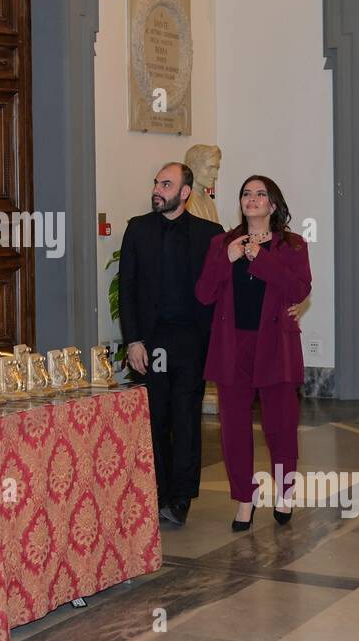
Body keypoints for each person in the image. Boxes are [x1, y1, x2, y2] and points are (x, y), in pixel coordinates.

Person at [195, 175, 310, 531]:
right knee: (234, 428)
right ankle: (245, 499)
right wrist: (225, 260)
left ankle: (285, 493)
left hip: (275, 345)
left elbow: (298, 288)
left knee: (281, 424)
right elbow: (203, 294)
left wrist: (260, 259)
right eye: (247, 193)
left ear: (273, 205)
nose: (252, 199)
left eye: (260, 194)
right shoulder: (222, 243)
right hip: (234, 346)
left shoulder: (292, 245)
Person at [119, 163, 223, 526]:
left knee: (187, 418)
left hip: (192, 341)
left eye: (166, 184)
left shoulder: (211, 235)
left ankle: (181, 497)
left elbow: (221, 292)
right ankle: (158, 491)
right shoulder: (137, 230)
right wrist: (133, 340)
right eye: (156, 183)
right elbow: (127, 290)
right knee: (156, 418)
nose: (157, 190)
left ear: (184, 193)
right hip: (154, 341)